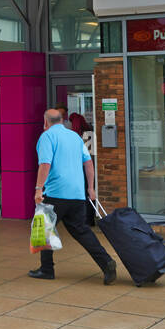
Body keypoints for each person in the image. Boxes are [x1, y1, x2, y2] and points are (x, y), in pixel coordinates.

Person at [30, 109, 116, 282]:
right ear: (62, 121)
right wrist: (90, 189)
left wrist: (39, 189)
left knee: (43, 229)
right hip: (76, 194)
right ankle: (106, 262)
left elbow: (45, 165)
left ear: (45, 122)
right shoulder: (75, 137)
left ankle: (47, 270)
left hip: (54, 193)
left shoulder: (47, 137)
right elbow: (88, 163)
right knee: (82, 231)